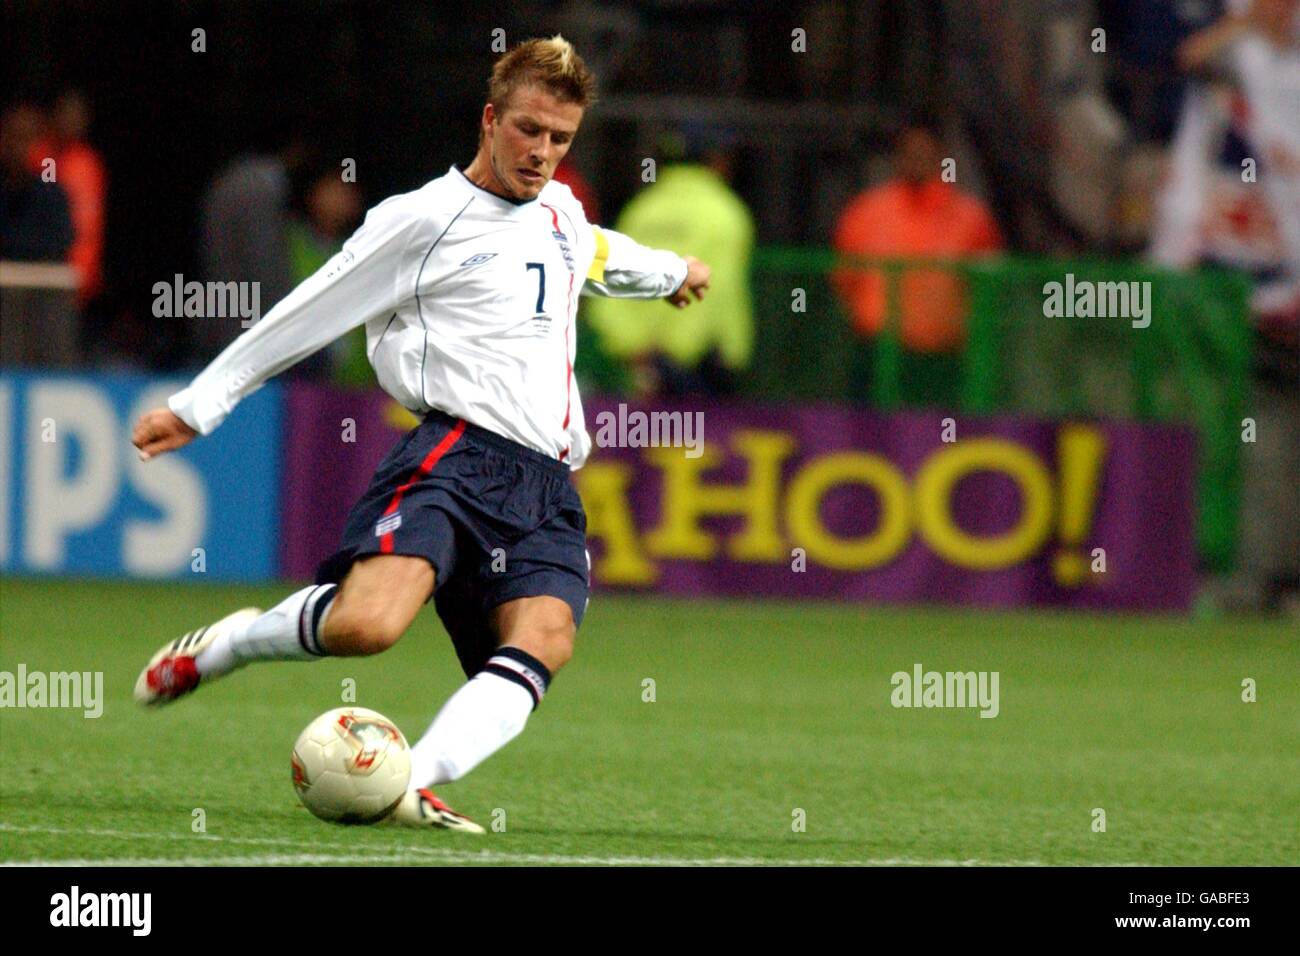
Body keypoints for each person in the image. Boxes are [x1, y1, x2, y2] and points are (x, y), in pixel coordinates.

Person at [129, 36, 711, 831]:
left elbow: (604, 254)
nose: (542, 152)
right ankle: (231, 643)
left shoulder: (561, 214)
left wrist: (675, 274)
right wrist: (200, 404)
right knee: (368, 627)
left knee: (547, 636)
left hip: (546, 485)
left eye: (560, 138)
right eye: (529, 130)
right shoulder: (422, 220)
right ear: (489, 119)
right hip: (455, 459)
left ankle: (414, 783)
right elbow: (311, 309)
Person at [831, 120, 1003, 408]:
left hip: (941, 359)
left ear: (940, 156)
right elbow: (844, 279)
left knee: (934, 440)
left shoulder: (969, 218)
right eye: (909, 152)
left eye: (924, 152)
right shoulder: (866, 212)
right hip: (876, 354)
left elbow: (988, 286)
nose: (916, 159)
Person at [585, 125, 755, 397]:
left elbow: (609, 282)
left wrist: (635, 350)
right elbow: (718, 290)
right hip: (699, 368)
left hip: (636, 366)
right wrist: (686, 355)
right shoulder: (725, 212)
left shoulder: (641, 209)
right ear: (716, 159)